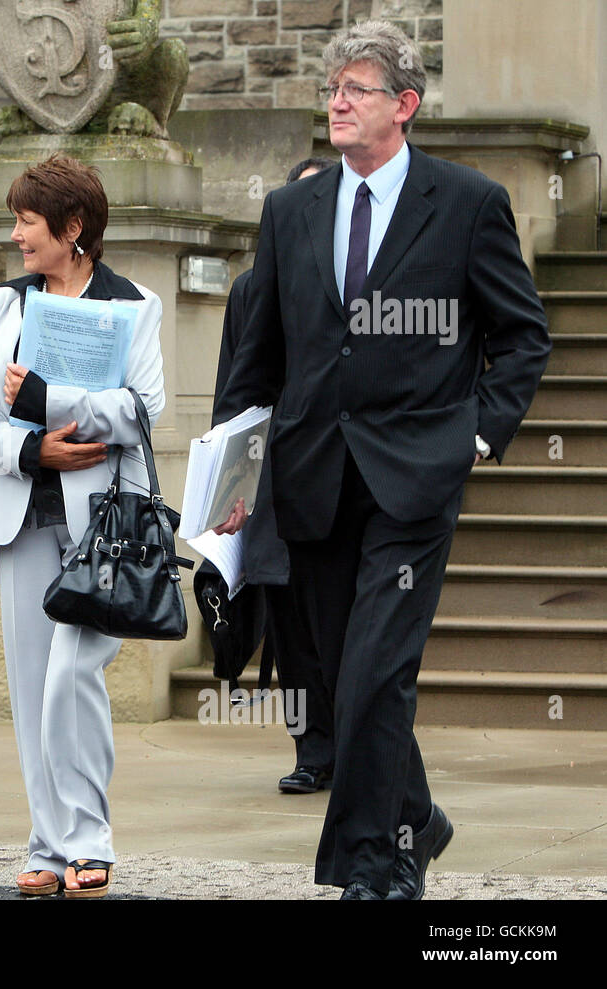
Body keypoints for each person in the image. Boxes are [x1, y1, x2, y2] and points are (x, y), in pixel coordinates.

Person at [214, 22, 550, 899]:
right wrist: (233, 477)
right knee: (340, 681)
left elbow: (521, 338)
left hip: (414, 479)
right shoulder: (291, 211)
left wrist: (475, 434)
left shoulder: (468, 202)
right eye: (333, 87)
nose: (337, 100)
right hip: (311, 478)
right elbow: (258, 357)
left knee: (375, 673)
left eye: (357, 88)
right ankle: (421, 816)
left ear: (403, 107)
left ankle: (382, 861)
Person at [0, 154, 164, 898]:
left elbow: (142, 409)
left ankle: (90, 837)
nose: (14, 235)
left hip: (104, 524)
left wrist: (51, 398)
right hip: (22, 513)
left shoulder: (136, 303)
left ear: (73, 229)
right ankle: (47, 840)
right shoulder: (2, 306)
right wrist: (26, 443)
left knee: (73, 676)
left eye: (27, 222)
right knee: (31, 684)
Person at [213, 156, 337, 795]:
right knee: (288, 626)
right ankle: (311, 751)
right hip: (272, 476)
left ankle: (358, 748)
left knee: (343, 624)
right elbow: (235, 389)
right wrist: (228, 484)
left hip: (342, 473)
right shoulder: (251, 289)